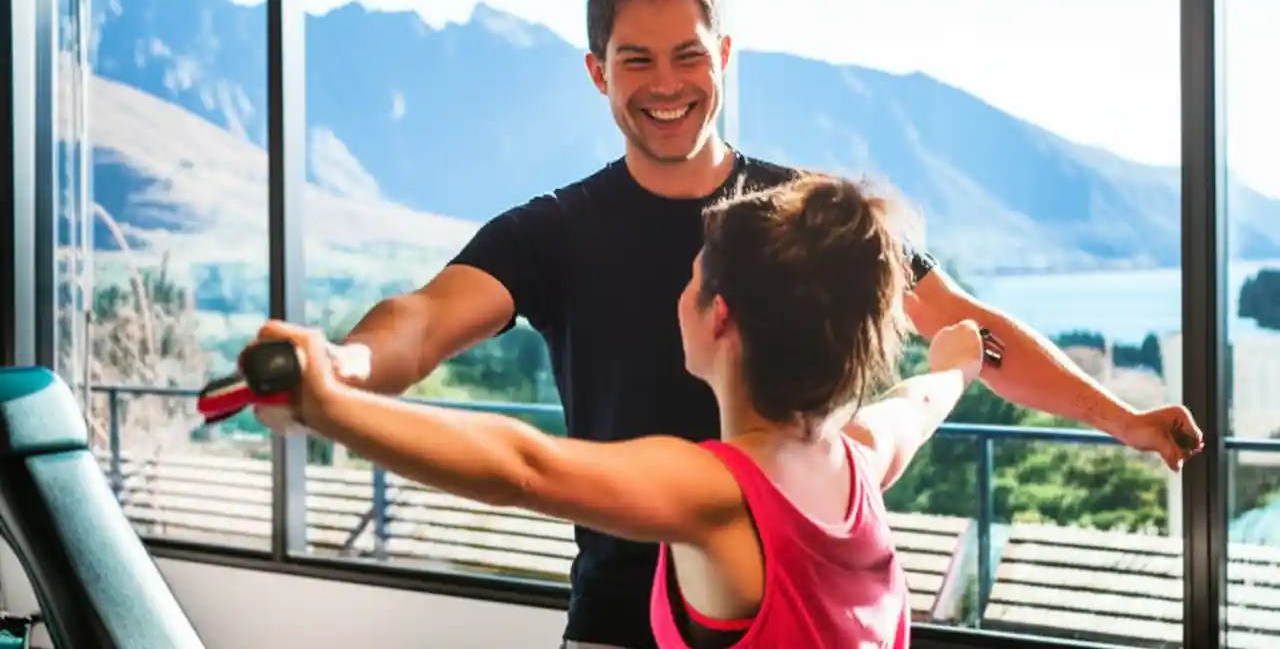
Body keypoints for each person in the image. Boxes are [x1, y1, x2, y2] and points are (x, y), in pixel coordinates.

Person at [293, 0, 1203, 649]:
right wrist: (349, 364)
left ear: (722, 55)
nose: (665, 84)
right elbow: (421, 319)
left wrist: (1120, 420)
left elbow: (969, 327)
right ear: (597, 72)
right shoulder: (550, 231)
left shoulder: (801, 221)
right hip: (619, 618)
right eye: (635, 59)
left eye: (688, 55)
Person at [252, 173, 989, 649]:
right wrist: (956, 363)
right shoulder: (858, 462)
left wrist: (329, 405)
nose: (680, 292)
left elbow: (524, 468)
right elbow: (915, 402)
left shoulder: (721, 496)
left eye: (692, 278)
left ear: (718, 319)